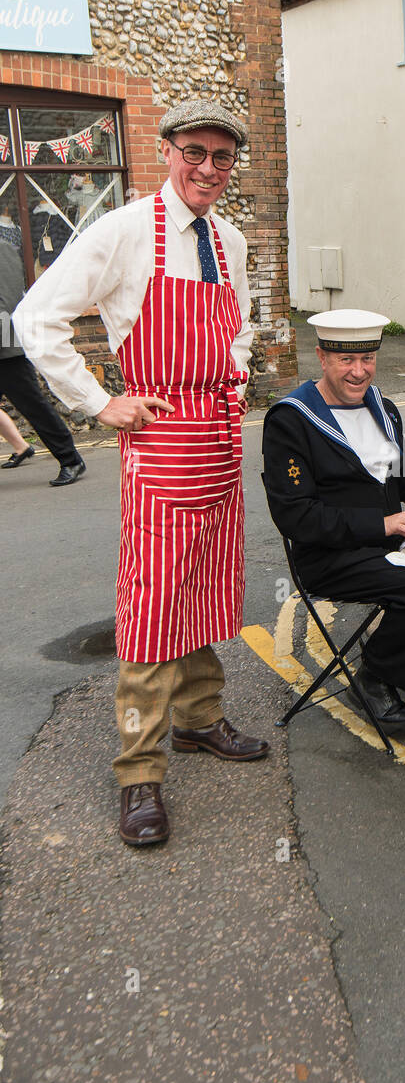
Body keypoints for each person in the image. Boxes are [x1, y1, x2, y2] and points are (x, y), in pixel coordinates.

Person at [13, 99, 267, 847]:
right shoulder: (125, 231)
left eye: (223, 158)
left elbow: (242, 324)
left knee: (205, 585)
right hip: (158, 443)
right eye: (196, 152)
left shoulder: (230, 241)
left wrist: (240, 368)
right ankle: (138, 772)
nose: (208, 169)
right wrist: (99, 402)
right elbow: (36, 319)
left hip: (218, 439)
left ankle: (198, 720)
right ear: (167, 151)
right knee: (153, 607)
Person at [262, 310, 405, 727]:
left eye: (367, 358)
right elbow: (296, 517)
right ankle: (373, 677)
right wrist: (381, 525)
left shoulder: (382, 407)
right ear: (322, 358)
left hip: (387, 549)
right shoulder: (291, 420)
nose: (358, 371)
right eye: (346, 360)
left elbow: (402, 474)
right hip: (329, 557)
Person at [0, 215, 86, 484]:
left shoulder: (3, 250)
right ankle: (27, 448)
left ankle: (71, 459)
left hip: (6, 345)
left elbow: (6, 300)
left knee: (33, 404)